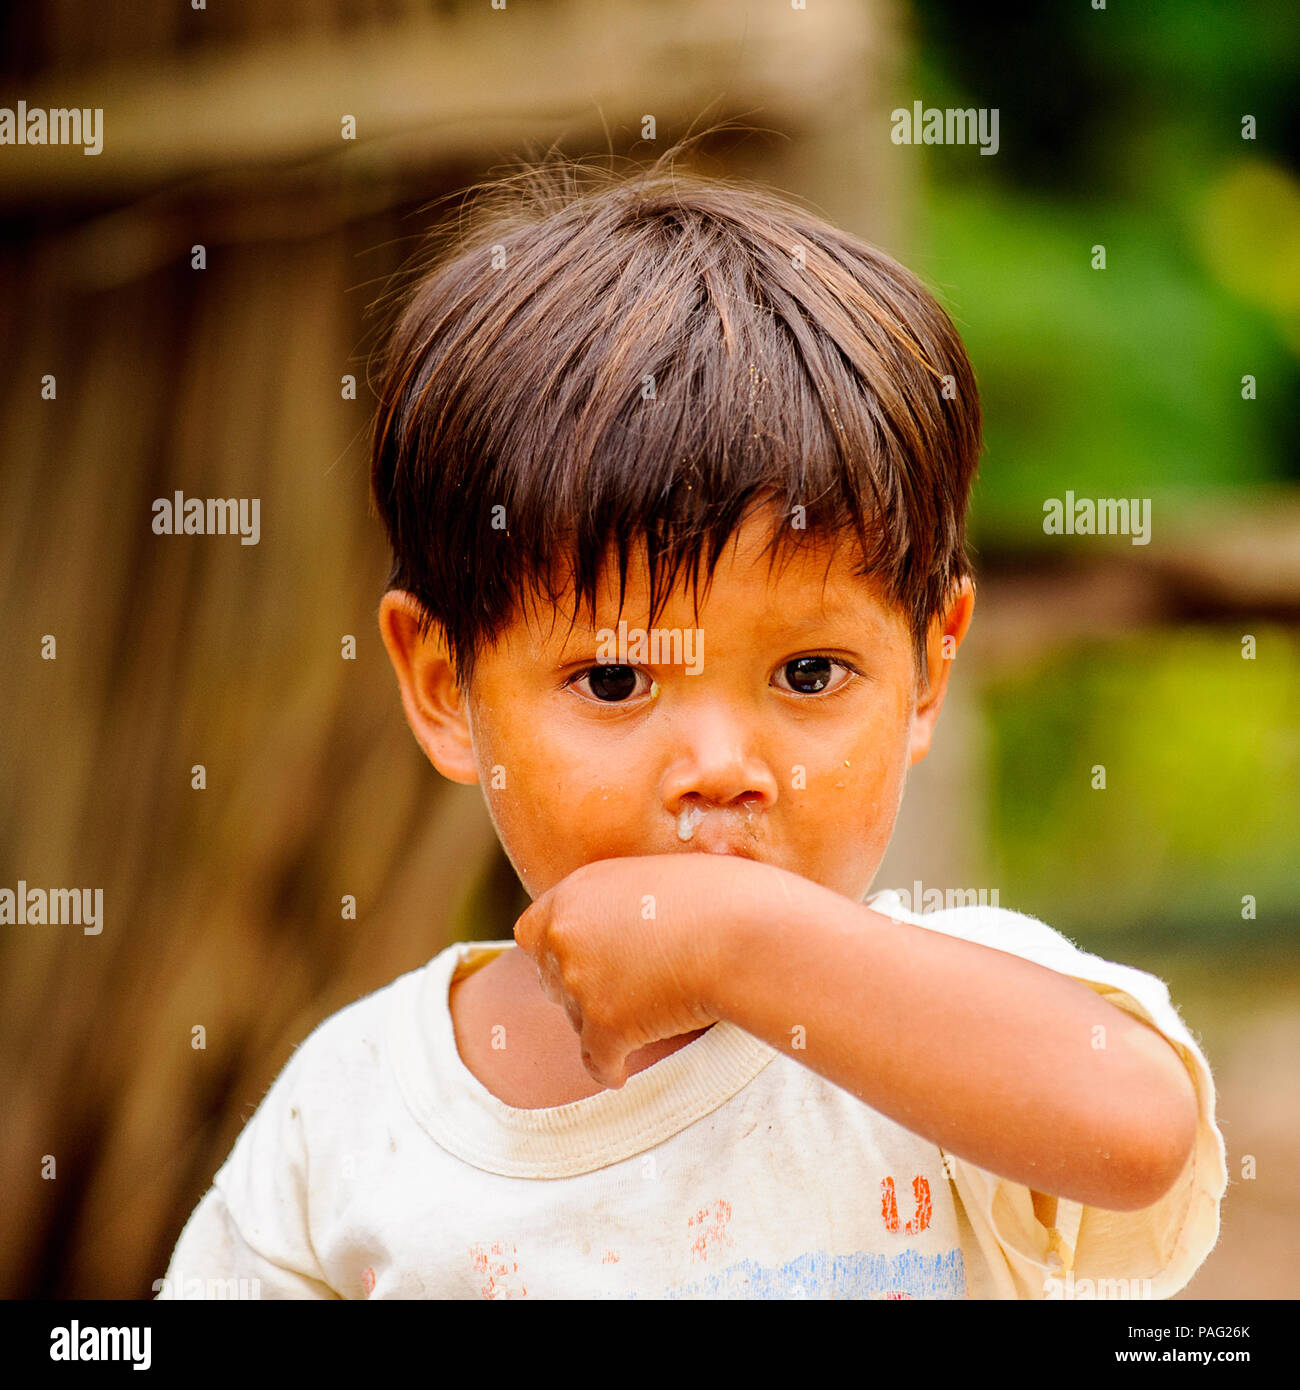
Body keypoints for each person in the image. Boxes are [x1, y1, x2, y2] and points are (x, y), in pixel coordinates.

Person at [156, 144, 1226, 1300]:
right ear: (441, 685)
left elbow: (1136, 1131)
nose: (721, 768)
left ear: (925, 673)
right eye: (614, 682)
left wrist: (731, 945)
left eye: (810, 674)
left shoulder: (954, 1026)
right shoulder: (358, 1110)